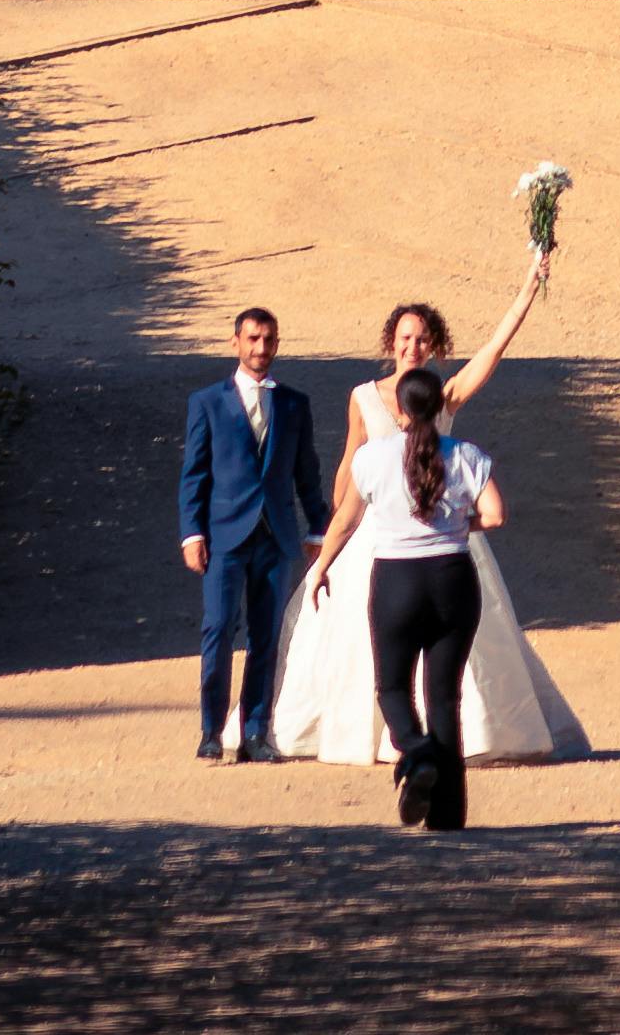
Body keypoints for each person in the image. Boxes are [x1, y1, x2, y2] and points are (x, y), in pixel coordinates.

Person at [254, 251, 588, 776]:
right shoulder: (362, 396)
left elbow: (495, 349)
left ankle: (428, 745)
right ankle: (398, 744)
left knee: (433, 661)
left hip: (442, 538)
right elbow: (348, 466)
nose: (412, 347)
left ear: (434, 347)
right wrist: (328, 533)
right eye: (404, 338)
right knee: (363, 645)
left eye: (422, 339)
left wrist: (528, 286)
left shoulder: (445, 396)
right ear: (391, 344)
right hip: (377, 536)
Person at [339, 357, 504, 825]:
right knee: (445, 696)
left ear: (401, 412)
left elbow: (350, 512)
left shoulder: (373, 458)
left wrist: (324, 562)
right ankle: (449, 814)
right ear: (438, 408)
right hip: (453, 577)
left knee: (392, 687)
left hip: (396, 579)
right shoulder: (467, 455)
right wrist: (457, 524)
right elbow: (495, 515)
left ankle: (416, 753)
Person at [173, 300, 335, 761]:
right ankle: (210, 730)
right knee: (219, 630)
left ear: (277, 344)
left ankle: (256, 732)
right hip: (224, 535)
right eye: (252, 339)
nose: (260, 347)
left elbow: (308, 472)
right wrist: (192, 533)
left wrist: (317, 530)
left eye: (268, 340)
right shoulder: (206, 402)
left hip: (277, 535)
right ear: (236, 342)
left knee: (265, 636)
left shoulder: (293, 404)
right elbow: (194, 474)